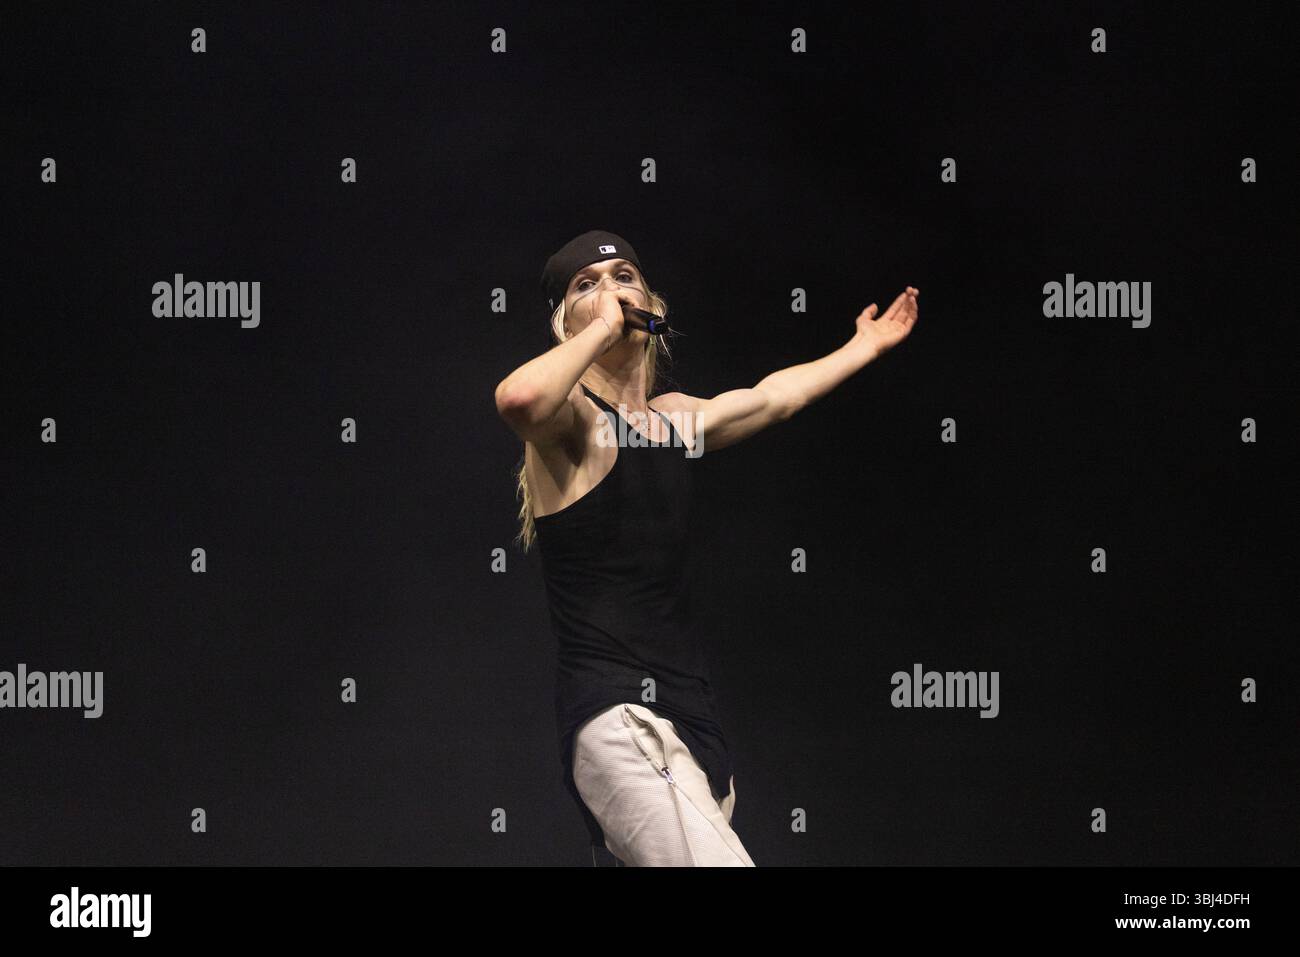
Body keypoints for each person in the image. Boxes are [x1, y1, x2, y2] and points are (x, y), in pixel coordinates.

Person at [494, 229, 919, 866]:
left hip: (695, 730)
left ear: (654, 306)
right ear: (567, 323)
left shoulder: (672, 420)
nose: (611, 291)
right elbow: (520, 398)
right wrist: (599, 333)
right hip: (623, 718)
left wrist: (863, 345)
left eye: (624, 278)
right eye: (587, 286)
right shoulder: (574, 420)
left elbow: (776, 398)